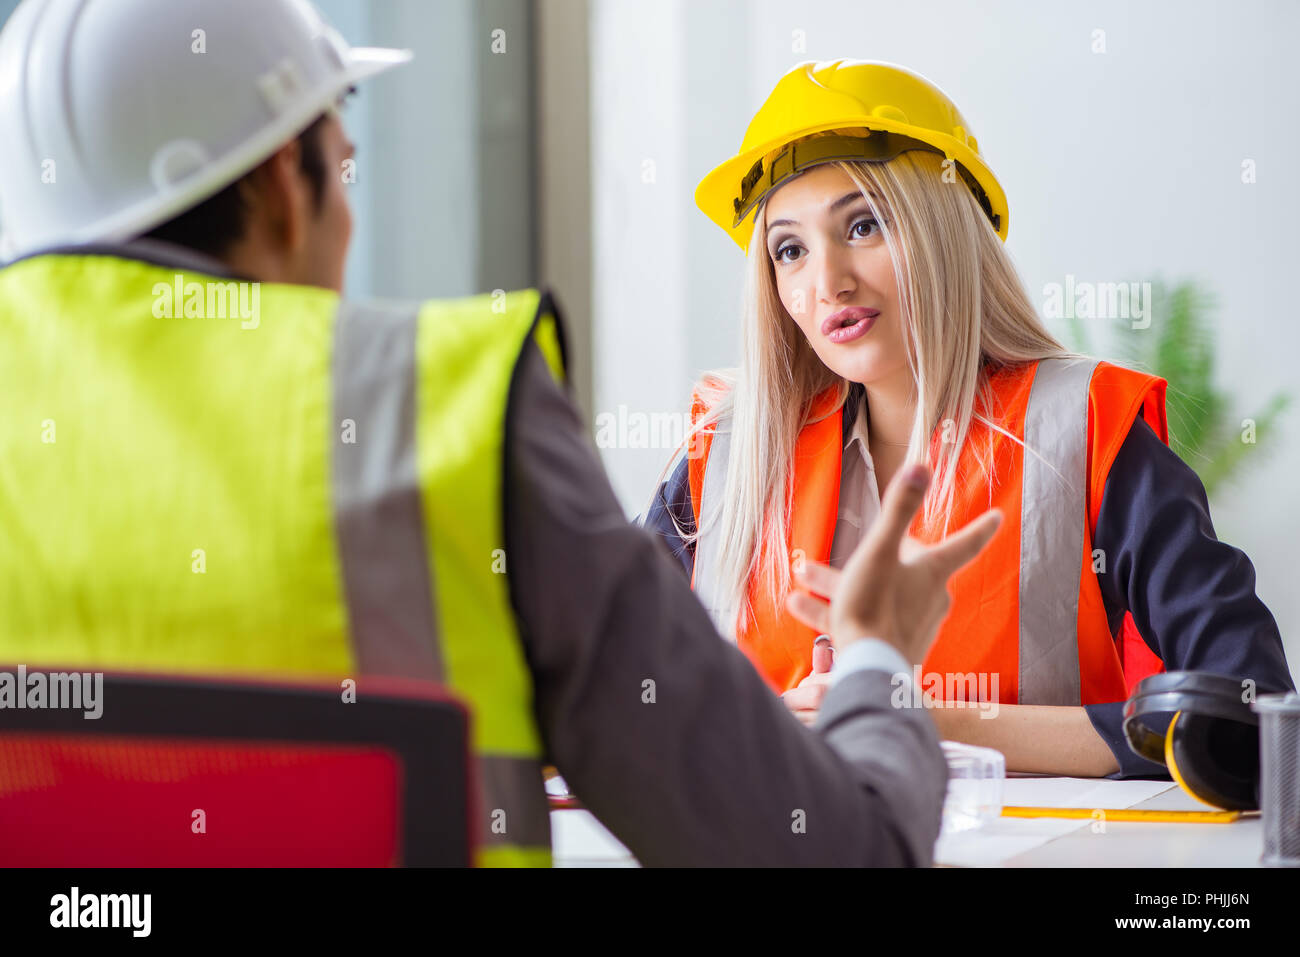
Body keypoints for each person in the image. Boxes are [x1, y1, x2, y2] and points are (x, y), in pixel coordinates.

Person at [0, 1, 1002, 866]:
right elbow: (820, 854)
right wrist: (874, 660)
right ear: (279, 183)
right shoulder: (443, 404)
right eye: (342, 173)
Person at [645, 59, 1294, 778]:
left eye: (863, 225)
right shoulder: (726, 455)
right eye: (789, 249)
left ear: (946, 231)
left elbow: (1255, 716)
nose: (827, 281)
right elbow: (615, 701)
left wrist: (925, 718)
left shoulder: (1086, 429)